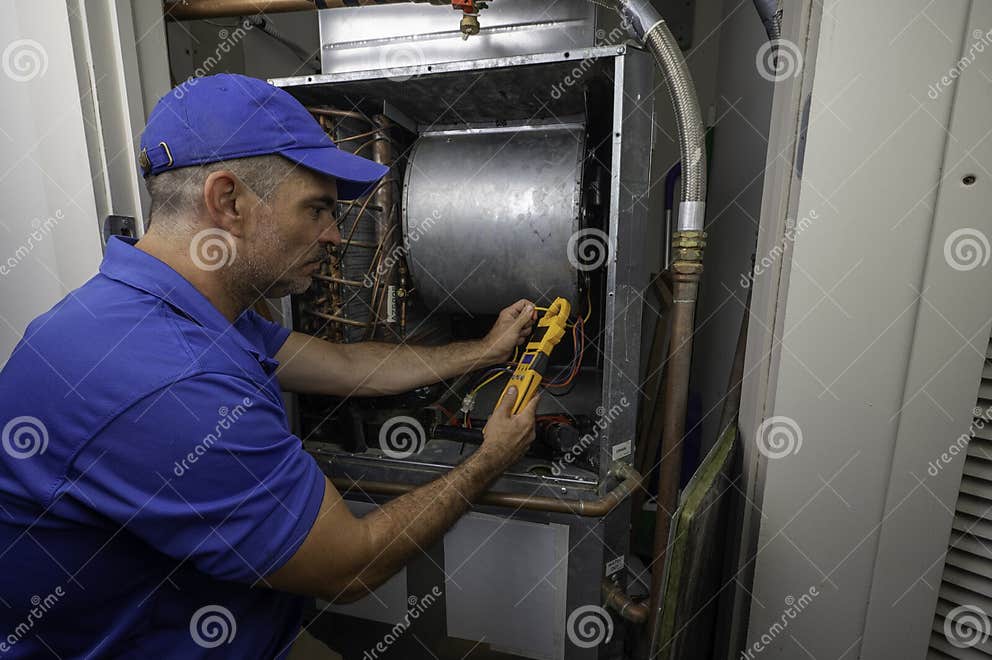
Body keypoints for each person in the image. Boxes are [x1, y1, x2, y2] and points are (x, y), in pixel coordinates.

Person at [0, 73, 538, 658]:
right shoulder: (170, 382)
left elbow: (341, 363)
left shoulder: (167, 306)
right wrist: (490, 459)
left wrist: (483, 350)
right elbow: (350, 566)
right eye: (317, 209)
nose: (335, 236)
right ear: (227, 201)